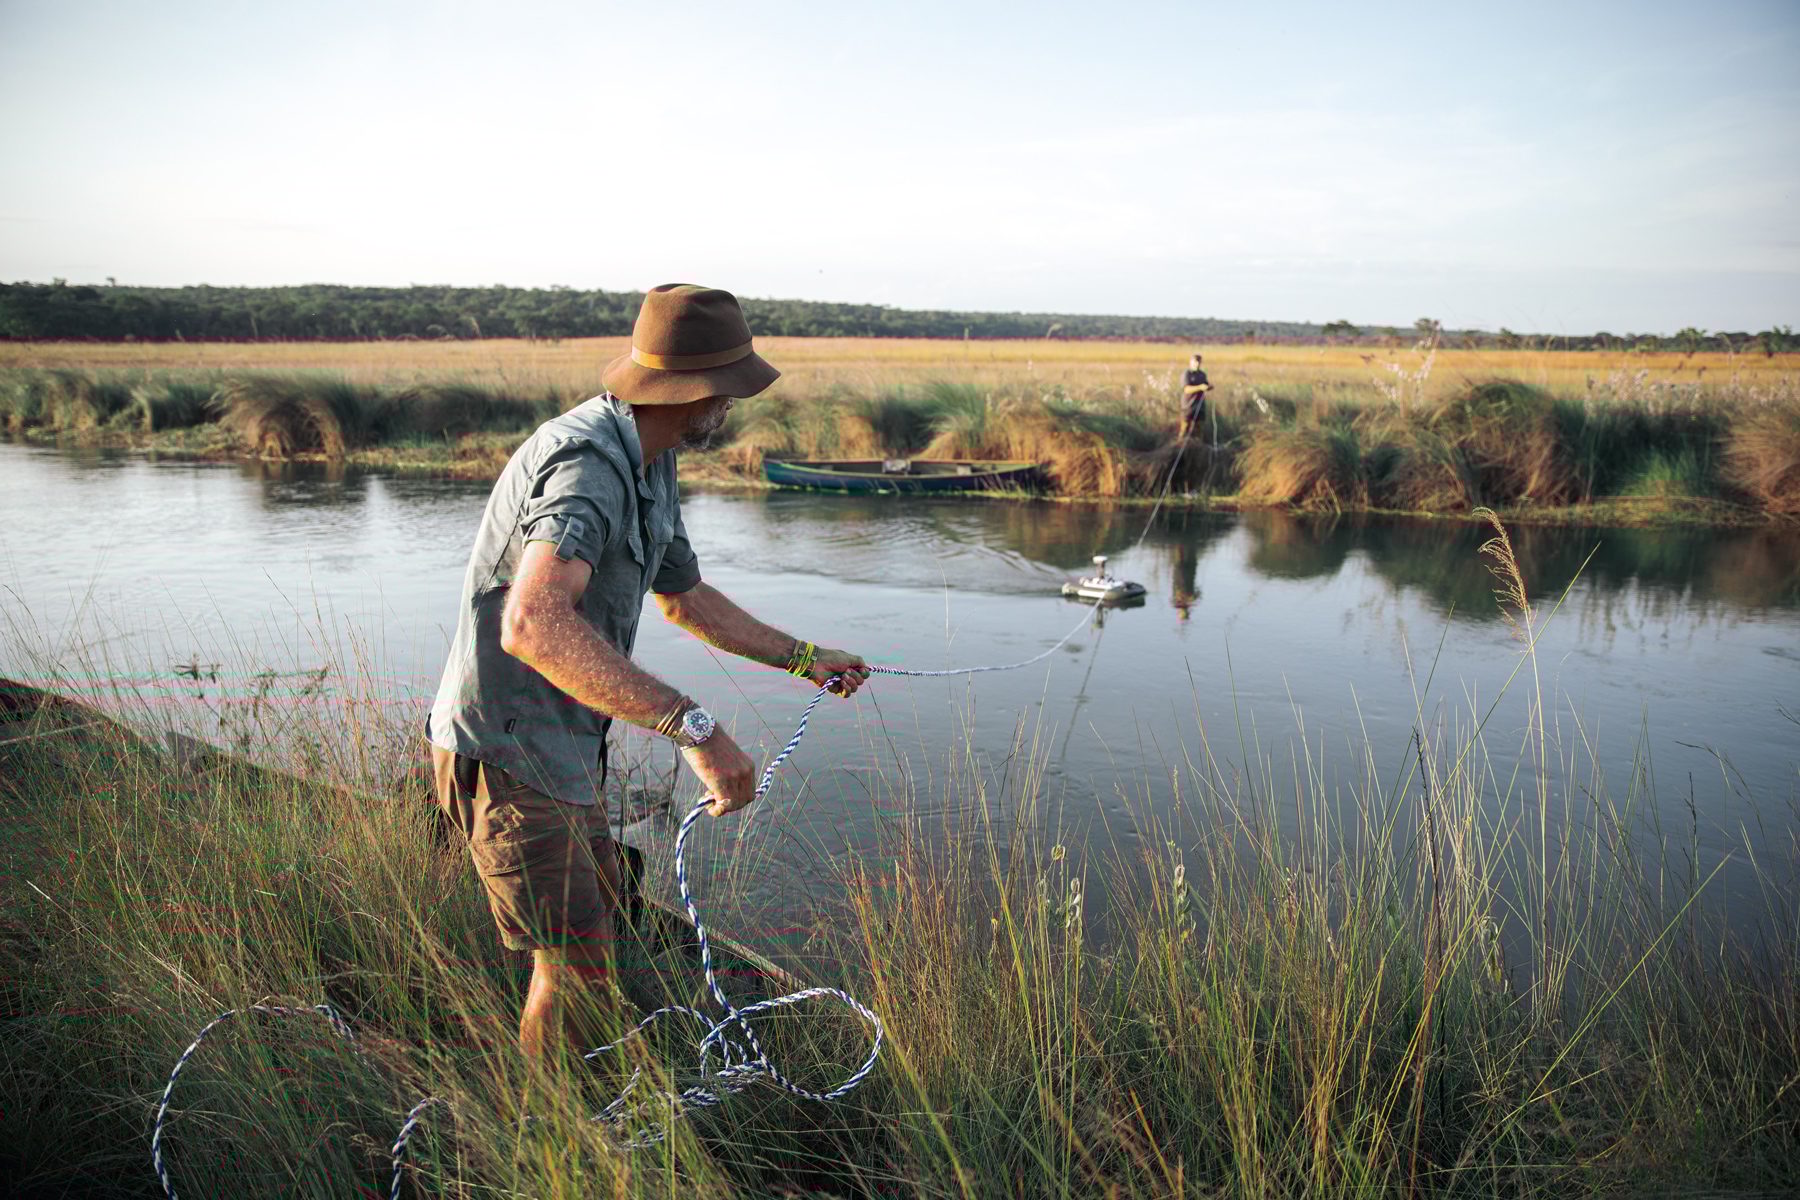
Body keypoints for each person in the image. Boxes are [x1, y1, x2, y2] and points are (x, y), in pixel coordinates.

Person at [425, 284, 871, 1066]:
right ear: (694, 391)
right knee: (575, 965)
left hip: (562, 750)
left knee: (594, 943)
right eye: (730, 386)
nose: (735, 402)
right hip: (509, 751)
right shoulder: (588, 468)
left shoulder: (651, 462)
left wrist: (805, 659)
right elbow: (532, 623)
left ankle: (576, 1115)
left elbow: (687, 599)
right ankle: (548, 1143)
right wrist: (693, 728)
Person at [1179, 352, 1211, 440]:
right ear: (1190, 362)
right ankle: (1179, 448)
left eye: (1199, 362)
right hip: (1188, 406)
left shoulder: (1202, 374)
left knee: (1199, 431)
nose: (1197, 364)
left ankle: (1197, 448)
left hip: (1200, 407)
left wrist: (1208, 387)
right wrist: (1200, 387)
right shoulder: (1186, 374)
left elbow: (1206, 384)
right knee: (1185, 429)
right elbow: (1186, 389)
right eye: (1195, 361)